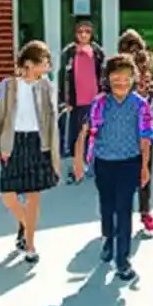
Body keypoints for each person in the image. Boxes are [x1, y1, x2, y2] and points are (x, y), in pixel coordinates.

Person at [76, 55, 153, 282]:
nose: (121, 82)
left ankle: (123, 259)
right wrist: (79, 159)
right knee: (107, 207)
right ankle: (108, 239)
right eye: (116, 78)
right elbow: (85, 131)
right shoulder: (99, 103)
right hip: (104, 162)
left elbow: (146, 137)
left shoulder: (140, 105)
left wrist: (145, 166)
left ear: (133, 80)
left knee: (124, 209)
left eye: (126, 78)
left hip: (129, 163)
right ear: (107, 79)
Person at [0, 41, 61, 264]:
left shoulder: (47, 87)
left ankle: (31, 245)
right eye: (44, 62)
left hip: (37, 142)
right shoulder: (7, 85)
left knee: (33, 196)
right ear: (29, 63)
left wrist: (54, 151)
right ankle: (27, 226)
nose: (48, 65)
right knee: (8, 193)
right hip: (14, 142)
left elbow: (51, 120)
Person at [118, 29, 153, 235]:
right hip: (123, 130)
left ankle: (145, 211)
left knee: (145, 171)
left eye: (136, 48)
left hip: (143, 129)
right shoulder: (117, 72)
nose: (133, 53)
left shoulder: (146, 70)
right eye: (128, 49)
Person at [58, 20, 105, 185]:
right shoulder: (70, 52)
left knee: (94, 133)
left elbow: (103, 75)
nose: (83, 35)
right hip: (77, 101)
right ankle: (75, 168)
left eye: (87, 32)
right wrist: (64, 99)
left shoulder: (97, 52)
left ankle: (92, 164)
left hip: (94, 99)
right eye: (80, 32)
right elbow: (63, 77)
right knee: (76, 135)